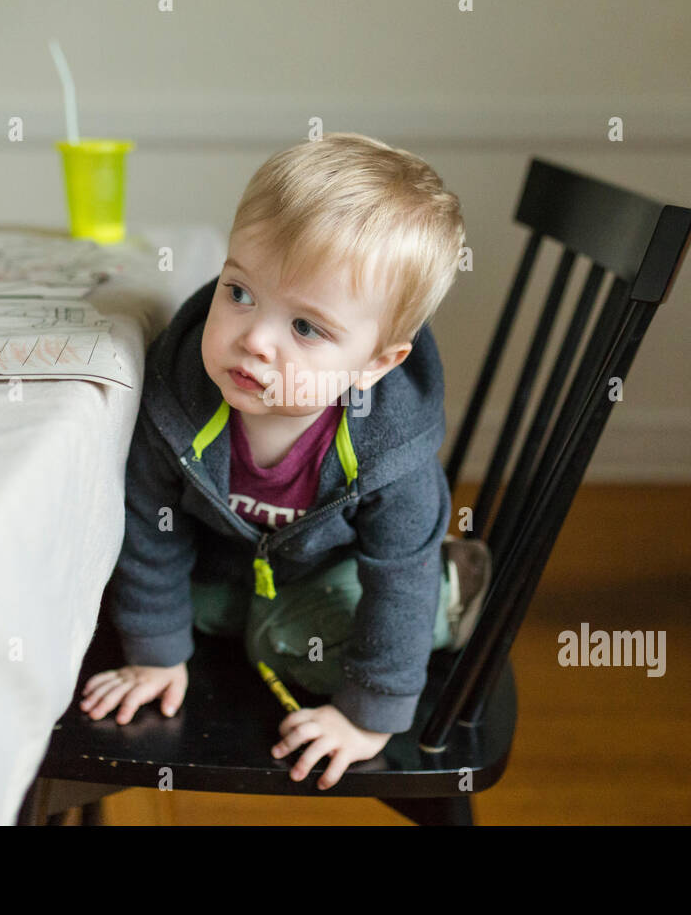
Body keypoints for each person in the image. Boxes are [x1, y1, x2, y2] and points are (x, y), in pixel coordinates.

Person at [80, 132, 489, 791]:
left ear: (376, 363)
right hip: (233, 568)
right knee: (122, 596)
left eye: (306, 328)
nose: (254, 340)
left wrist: (367, 717)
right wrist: (157, 652)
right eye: (239, 291)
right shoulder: (179, 397)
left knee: (356, 620)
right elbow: (152, 523)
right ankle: (251, 627)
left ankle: (457, 588)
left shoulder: (391, 455)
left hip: (341, 574)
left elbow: (397, 586)